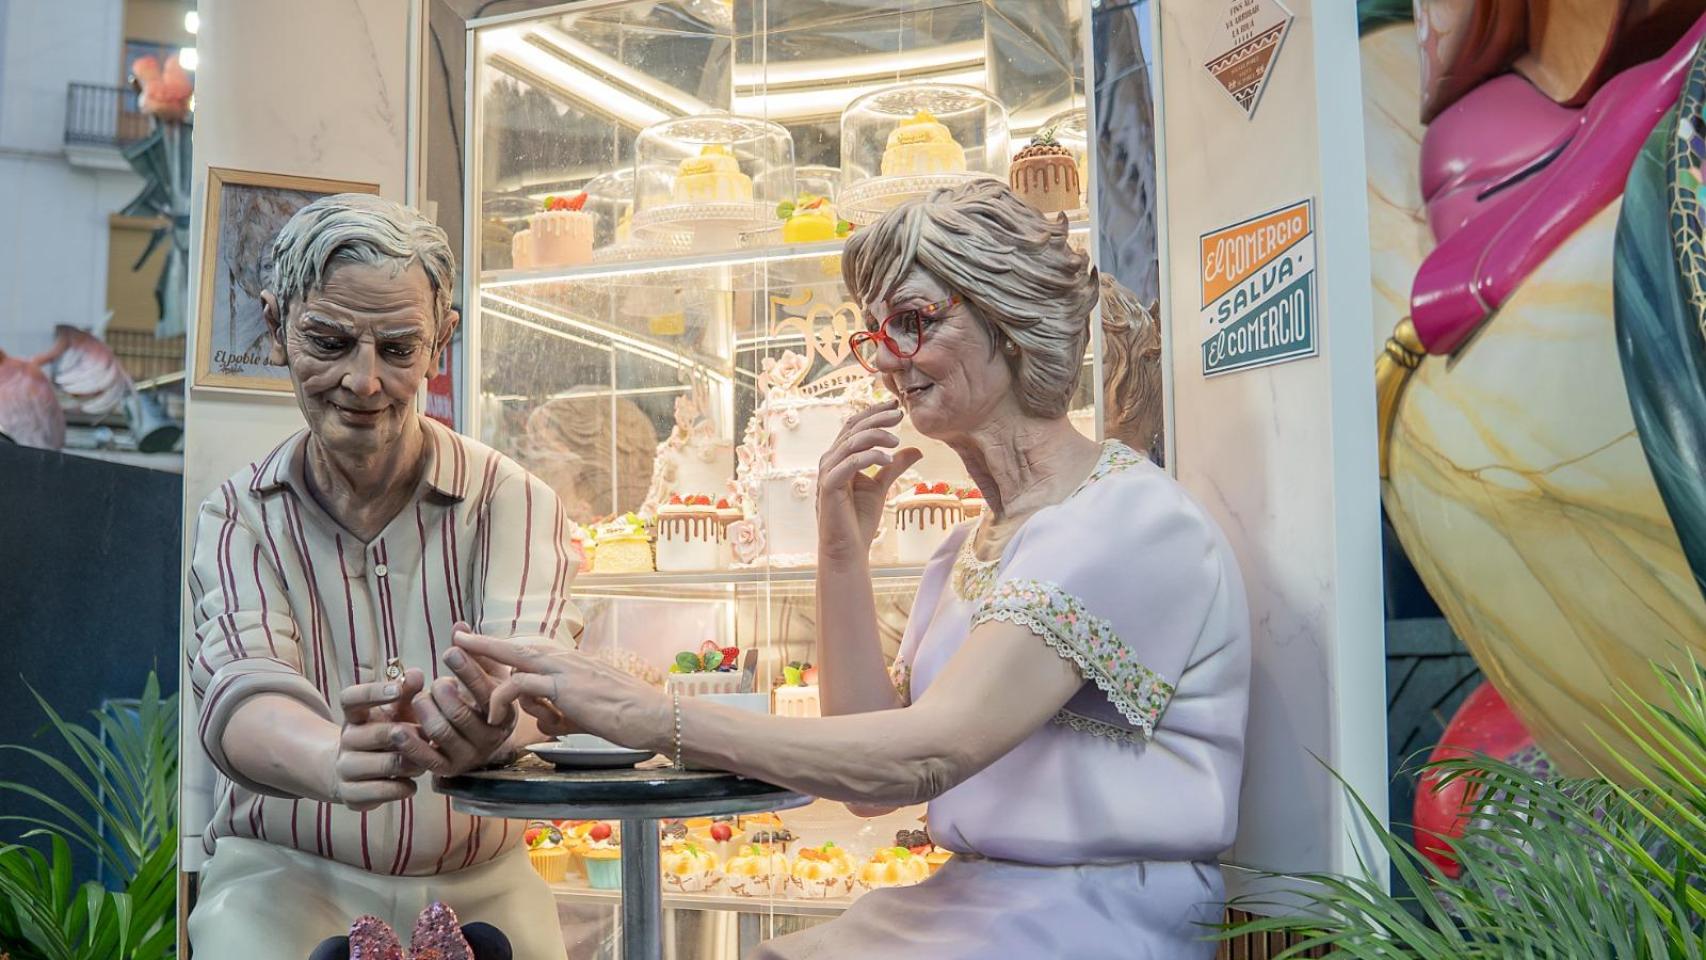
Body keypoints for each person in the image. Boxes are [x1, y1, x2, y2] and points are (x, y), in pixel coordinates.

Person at [458, 179, 1251, 959]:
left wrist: (651, 716)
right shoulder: (967, 548)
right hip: (977, 904)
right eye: (876, 335)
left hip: (1099, 917)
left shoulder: (1127, 522)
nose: (887, 362)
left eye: (912, 322)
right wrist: (840, 553)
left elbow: (923, 755)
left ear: (1012, 321)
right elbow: (867, 791)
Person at [183, 194, 579, 960]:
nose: (364, 382)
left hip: (483, 878)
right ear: (275, 329)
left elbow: (533, 674)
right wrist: (328, 756)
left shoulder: (515, 502)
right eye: (329, 341)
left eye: (398, 349)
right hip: (283, 878)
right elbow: (243, 690)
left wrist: (497, 723)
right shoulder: (239, 515)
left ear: (442, 342)